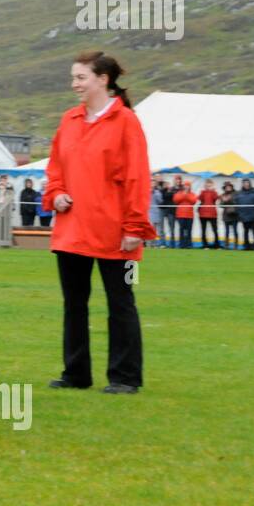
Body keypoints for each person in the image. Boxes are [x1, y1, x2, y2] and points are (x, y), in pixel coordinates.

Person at [43, 50, 156, 394]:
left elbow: (138, 176)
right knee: (73, 304)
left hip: (115, 233)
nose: (74, 84)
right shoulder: (69, 120)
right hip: (72, 230)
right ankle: (76, 373)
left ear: (103, 79)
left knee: (121, 303)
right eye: (73, 78)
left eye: (81, 77)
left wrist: (135, 228)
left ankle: (124, 377)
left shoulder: (126, 122)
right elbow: (55, 169)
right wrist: (57, 192)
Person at [235, 179, 254, 250]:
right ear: (242, 184)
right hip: (244, 216)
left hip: (253, 215)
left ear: (249, 184)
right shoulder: (239, 193)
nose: (246, 184)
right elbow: (236, 204)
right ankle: (246, 246)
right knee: (245, 232)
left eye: (247, 183)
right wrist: (239, 214)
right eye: (245, 183)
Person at [173, 179, 197, 249]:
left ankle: (189, 244)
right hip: (180, 215)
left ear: (190, 187)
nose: (187, 187)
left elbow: (194, 201)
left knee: (189, 230)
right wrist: (184, 195)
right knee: (181, 230)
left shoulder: (192, 194)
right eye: (186, 185)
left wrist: (186, 196)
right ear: (184, 186)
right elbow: (176, 200)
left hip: (190, 215)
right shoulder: (179, 193)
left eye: (188, 185)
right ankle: (181, 244)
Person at [198, 179, 220, 249]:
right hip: (203, 213)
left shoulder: (214, 192)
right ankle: (205, 245)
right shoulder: (202, 192)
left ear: (212, 185)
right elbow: (200, 198)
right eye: (207, 184)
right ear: (205, 185)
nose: (208, 185)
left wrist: (213, 191)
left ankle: (216, 245)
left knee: (215, 229)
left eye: (210, 184)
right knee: (203, 229)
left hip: (212, 214)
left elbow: (216, 198)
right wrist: (204, 191)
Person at [219, 181, 239, 249]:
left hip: (234, 214)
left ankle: (235, 245)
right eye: (226, 187)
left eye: (229, 186)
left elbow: (237, 203)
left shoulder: (236, 193)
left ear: (231, 187)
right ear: (225, 188)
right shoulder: (222, 195)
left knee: (235, 230)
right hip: (226, 215)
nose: (228, 188)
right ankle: (226, 245)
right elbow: (221, 205)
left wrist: (229, 199)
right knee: (226, 231)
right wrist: (224, 201)